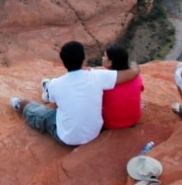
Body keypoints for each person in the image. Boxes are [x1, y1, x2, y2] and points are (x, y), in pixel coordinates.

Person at [11, 40, 140, 146]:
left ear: (63, 62)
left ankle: (22, 105)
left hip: (67, 138)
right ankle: (46, 89)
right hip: (94, 133)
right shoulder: (97, 76)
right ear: (84, 60)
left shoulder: (58, 83)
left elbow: (55, 104)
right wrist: (134, 68)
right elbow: (127, 74)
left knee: (43, 113)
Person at [101, 44, 144, 129]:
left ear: (110, 62)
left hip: (110, 124)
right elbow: (140, 89)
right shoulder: (136, 77)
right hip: (134, 119)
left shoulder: (104, 80)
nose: (102, 58)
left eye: (105, 56)